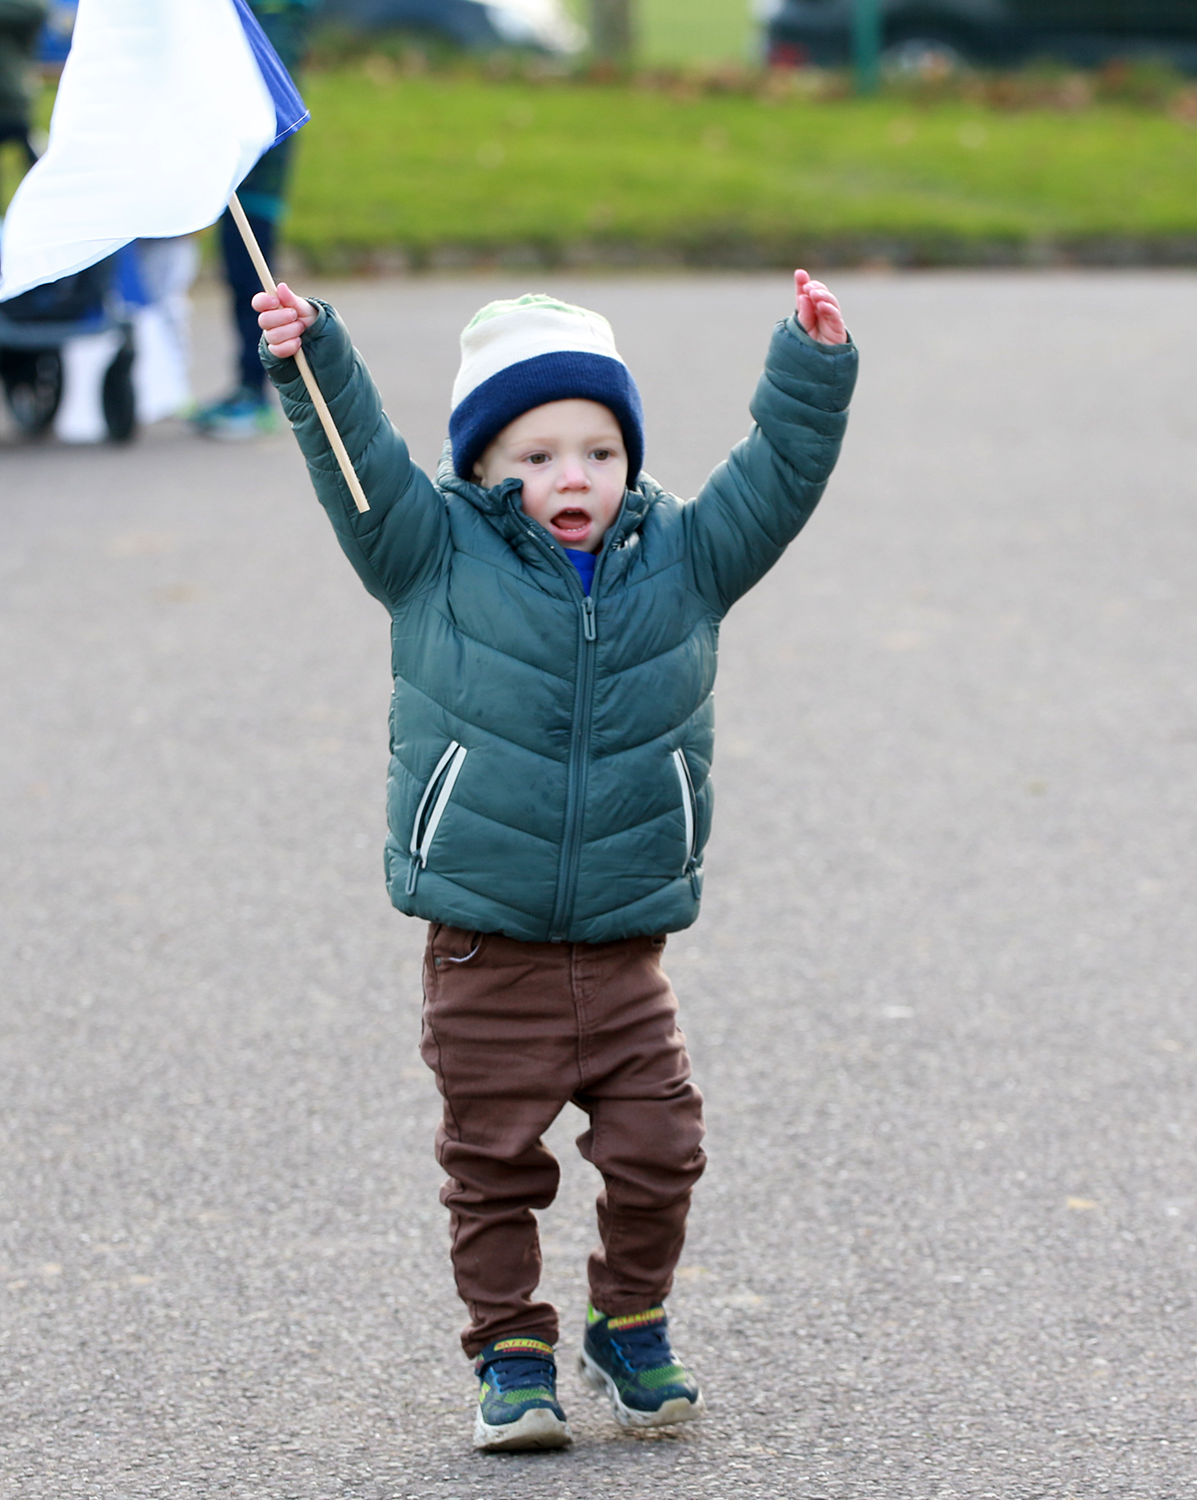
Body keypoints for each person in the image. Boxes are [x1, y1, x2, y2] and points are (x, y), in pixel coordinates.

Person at [253, 271, 857, 1451]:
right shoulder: (427, 552)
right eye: (535, 456)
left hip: (627, 952)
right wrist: (310, 357)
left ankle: (627, 1321)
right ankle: (511, 1354)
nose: (572, 477)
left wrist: (813, 366)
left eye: (598, 451)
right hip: (486, 951)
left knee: (662, 1152)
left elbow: (780, 477)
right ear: (482, 468)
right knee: (492, 1167)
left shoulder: (685, 557)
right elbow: (353, 456)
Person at [191, 0, 318, 440]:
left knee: (255, 287)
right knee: (240, 279)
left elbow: (256, 78)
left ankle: (256, 393)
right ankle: (246, 386)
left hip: (259, 170)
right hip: (243, 168)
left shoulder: (275, 16)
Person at [0, 0, 46, 206]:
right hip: (12, 98)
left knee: (41, 169)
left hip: (14, 101)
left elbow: (37, 11)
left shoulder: (23, 8)